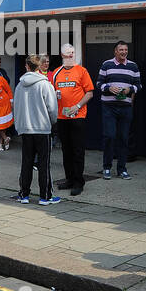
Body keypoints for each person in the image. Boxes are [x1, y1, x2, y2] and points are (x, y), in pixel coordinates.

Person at [14, 54, 59, 205]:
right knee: (44, 164)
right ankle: (45, 197)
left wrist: (19, 126)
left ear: (26, 66)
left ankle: (24, 195)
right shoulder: (45, 85)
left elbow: (16, 107)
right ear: (39, 66)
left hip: (26, 129)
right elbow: (52, 109)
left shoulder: (19, 85)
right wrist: (52, 122)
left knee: (26, 163)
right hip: (42, 129)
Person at [52, 44, 93, 196]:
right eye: (68, 54)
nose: (71, 56)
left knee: (77, 150)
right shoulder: (57, 72)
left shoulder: (81, 71)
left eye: (73, 53)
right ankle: (69, 179)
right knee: (66, 150)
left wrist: (77, 106)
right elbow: (52, 92)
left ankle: (78, 182)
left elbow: (89, 93)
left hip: (78, 116)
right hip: (62, 117)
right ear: (62, 56)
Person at [97, 41, 140, 179]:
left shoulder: (133, 66)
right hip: (109, 106)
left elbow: (139, 85)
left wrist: (130, 89)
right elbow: (98, 83)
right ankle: (107, 167)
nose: (124, 52)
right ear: (115, 51)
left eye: (126, 50)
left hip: (125, 107)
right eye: (121, 50)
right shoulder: (106, 64)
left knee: (123, 138)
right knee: (109, 136)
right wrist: (108, 87)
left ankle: (122, 169)